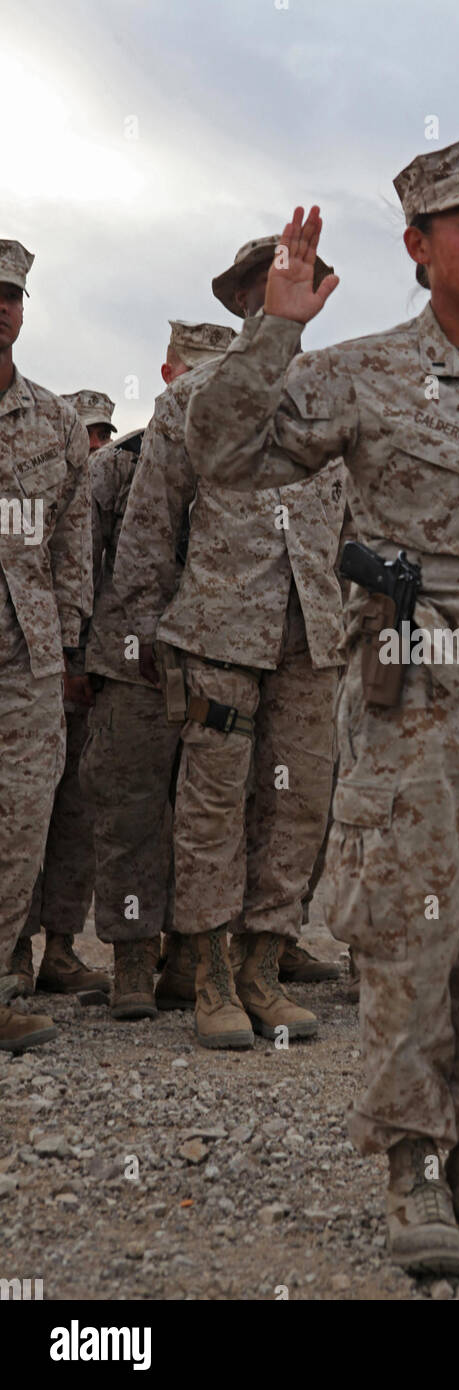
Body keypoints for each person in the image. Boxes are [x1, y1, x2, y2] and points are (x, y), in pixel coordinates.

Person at [183, 138, 459, 1278]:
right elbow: (219, 455)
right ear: (416, 248)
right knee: (414, 936)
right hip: (421, 703)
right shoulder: (361, 374)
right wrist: (276, 328)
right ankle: (411, 1168)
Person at [117, 240, 344, 1047]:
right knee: (212, 803)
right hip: (219, 628)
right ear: (242, 299)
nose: (280, 293)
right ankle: (210, 977)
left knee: (296, 807)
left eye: (297, 281)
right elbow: (152, 520)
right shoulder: (195, 401)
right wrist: (139, 627)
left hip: (313, 636)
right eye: (264, 282)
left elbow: (362, 522)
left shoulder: (329, 402)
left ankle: (262, 971)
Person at [78, 321, 234, 1021]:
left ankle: (193, 958)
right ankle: (133, 959)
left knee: (206, 817)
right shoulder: (120, 464)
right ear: (169, 377)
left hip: (214, 664)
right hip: (134, 666)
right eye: (193, 371)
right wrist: (79, 655)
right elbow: (83, 563)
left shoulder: (241, 469)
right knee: (132, 812)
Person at [0, 239, 92, 1051]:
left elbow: (69, 540)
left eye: (9, 295)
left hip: (26, 655)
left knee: (21, 819)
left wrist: (70, 647)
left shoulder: (56, 421)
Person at [13, 392, 120, 1001]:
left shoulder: (118, 480)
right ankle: (17, 952)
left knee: (76, 816)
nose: (98, 443)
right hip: (38, 662)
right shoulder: (56, 488)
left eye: (104, 432)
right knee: (26, 813)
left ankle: (60, 946)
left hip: (91, 664)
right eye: (89, 432)